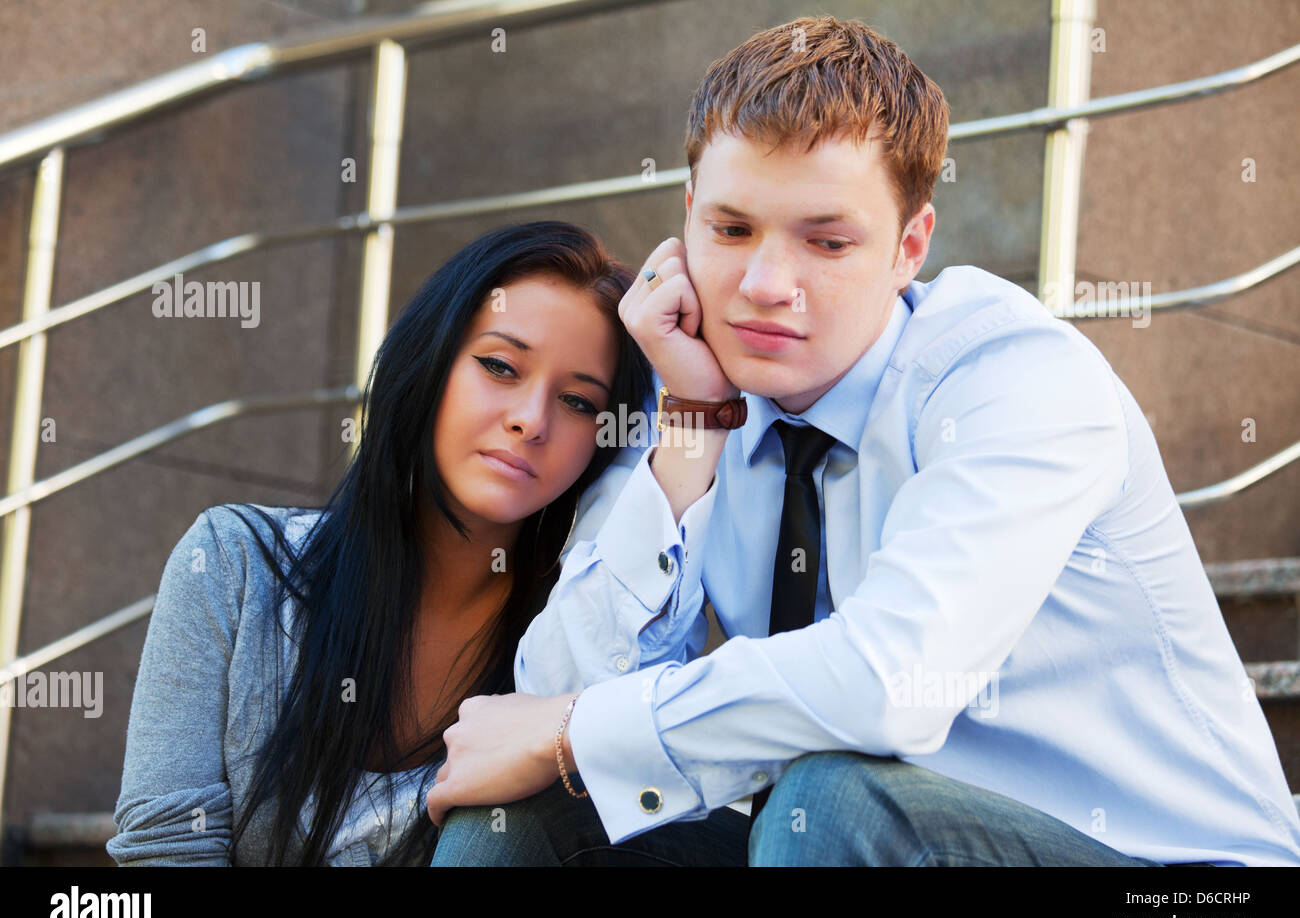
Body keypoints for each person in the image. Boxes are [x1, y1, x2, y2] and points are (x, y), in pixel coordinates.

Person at [421, 17, 1300, 866]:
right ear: (686, 217)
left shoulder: (1011, 373)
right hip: (857, 840)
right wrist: (692, 427)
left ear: (910, 245)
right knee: (532, 820)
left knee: (825, 801)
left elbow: (891, 684)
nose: (765, 285)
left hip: (1178, 887)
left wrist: (579, 731)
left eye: (827, 241)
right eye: (731, 230)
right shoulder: (690, 394)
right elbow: (546, 701)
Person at [106, 220, 653, 865]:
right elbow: (164, 847)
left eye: (578, 402)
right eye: (500, 366)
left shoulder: (576, 646)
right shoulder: (232, 565)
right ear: (428, 362)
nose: (531, 420)